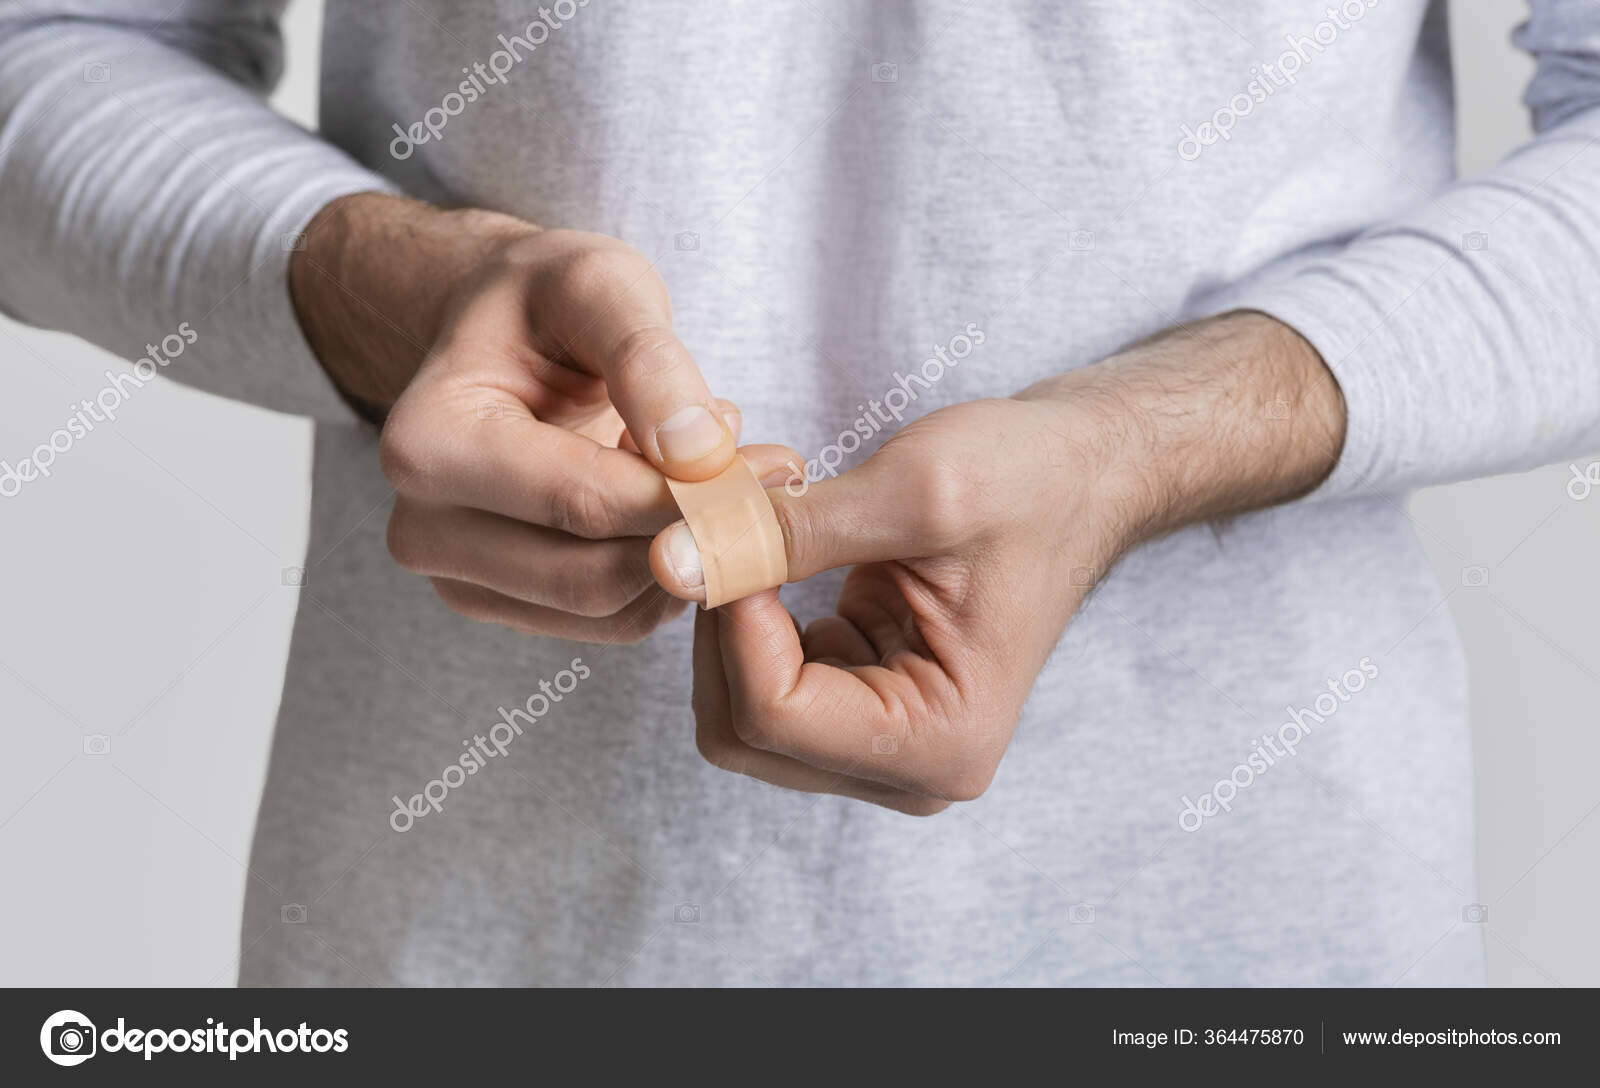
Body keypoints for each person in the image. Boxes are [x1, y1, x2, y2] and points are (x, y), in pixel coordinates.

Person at [2, 0, 1595, 986]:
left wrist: (1149, 443)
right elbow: (48, 45)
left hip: (1256, 938)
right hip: (467, 953)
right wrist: (378, 291)